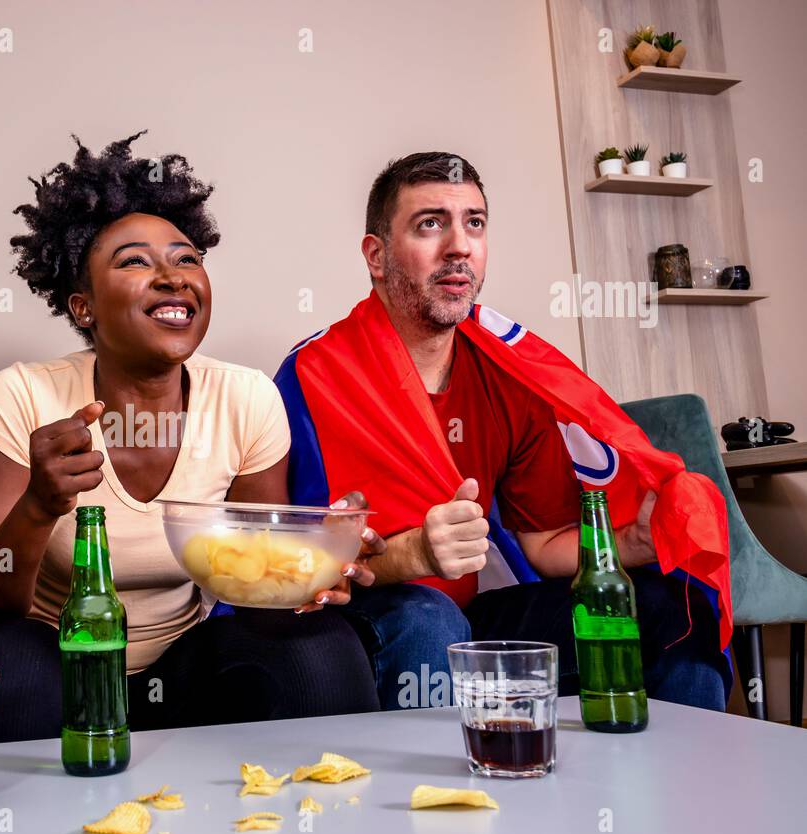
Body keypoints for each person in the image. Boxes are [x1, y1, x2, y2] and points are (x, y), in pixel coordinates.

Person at [0, 132, 382, 742]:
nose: (172, 277)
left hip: (186, 673)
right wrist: (37, 507)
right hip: (60, 664)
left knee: (319, 649)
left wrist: (319, 564)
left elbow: (259, 580)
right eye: (134, 261)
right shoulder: (22, 395)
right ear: (83, 307)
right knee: (6, 661)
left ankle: (322, 823)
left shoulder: (246, 397)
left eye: (187, 259)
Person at [276, 151, 733, 712]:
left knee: (669, 603)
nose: (460, 246)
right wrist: (413, 552)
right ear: (376, 255)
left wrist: (633, 542)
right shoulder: (312, 374)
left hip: (469, 614)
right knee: (427, 618)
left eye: (475, 223)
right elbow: (296, 573)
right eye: (430, 224)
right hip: (365, 618)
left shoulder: (508, 374)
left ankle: (676, 785)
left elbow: (543, 545)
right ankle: (438, 799)